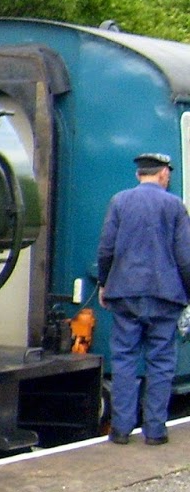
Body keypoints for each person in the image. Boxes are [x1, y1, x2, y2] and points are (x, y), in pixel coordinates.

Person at [97, 151, 190, 444]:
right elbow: (185, 256)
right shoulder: (175, 206)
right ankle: (155, 431)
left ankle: (121, 430)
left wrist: (103, 283)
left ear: (139, 175)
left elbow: (106, 249)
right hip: (165, 295)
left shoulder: (119, 201)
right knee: (161, 361)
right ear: (163, 174)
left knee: (124, 359)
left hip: (125, 292)